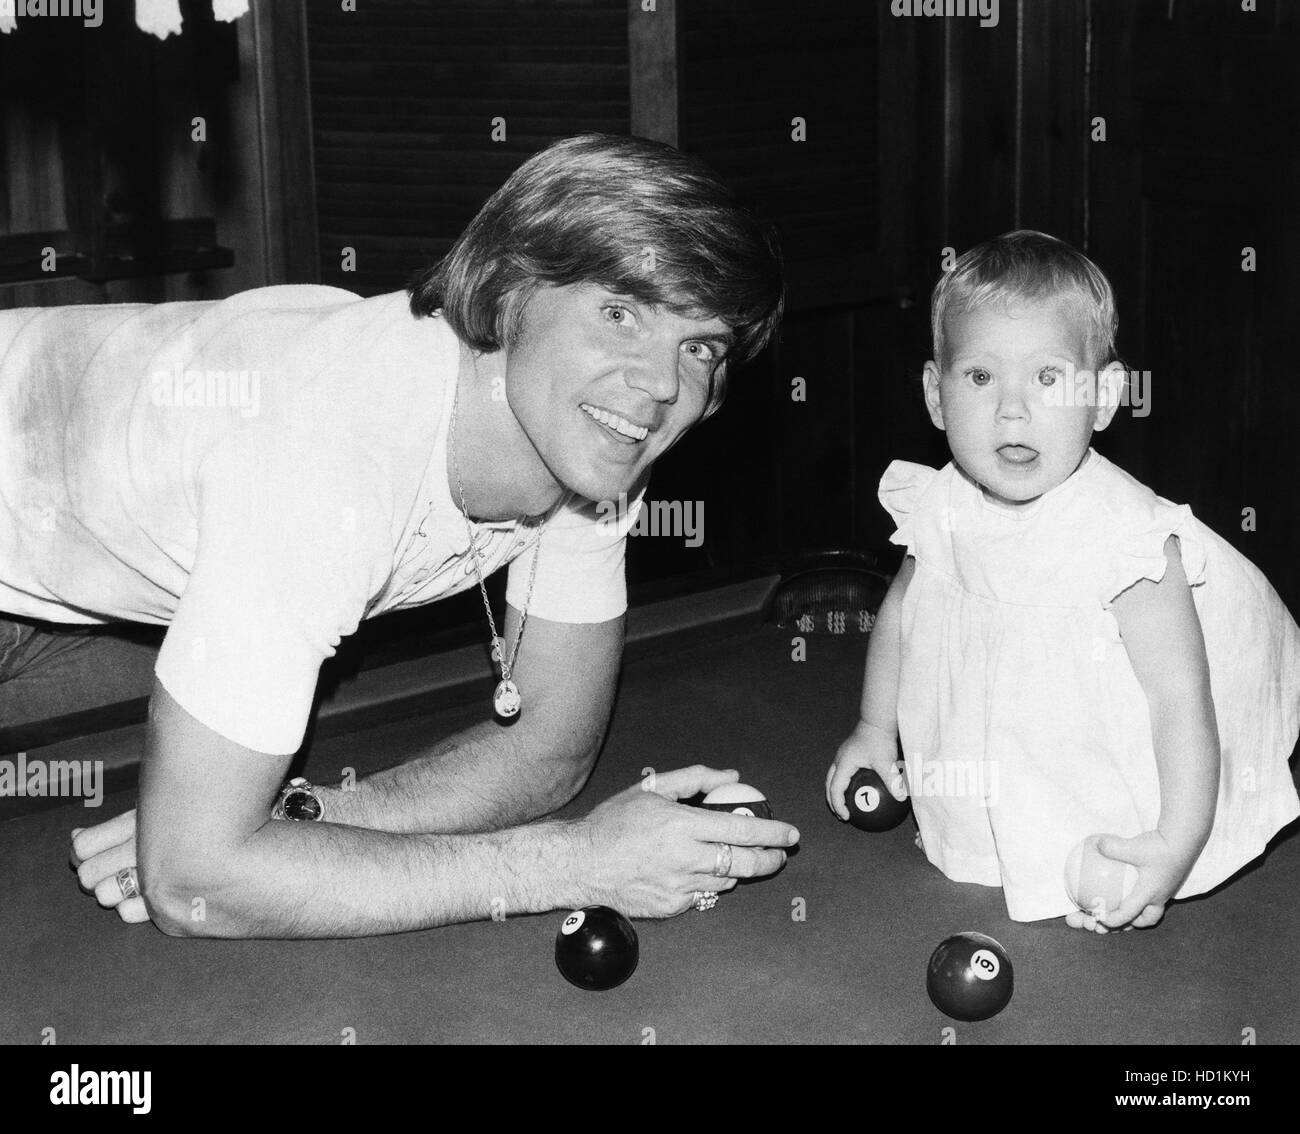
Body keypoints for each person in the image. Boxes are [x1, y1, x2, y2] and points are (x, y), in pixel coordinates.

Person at [0, 133, 800, 936]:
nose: (661, 385)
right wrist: (573, 863)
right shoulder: (328, 452)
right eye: (620, 313)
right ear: (511, 289)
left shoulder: (599, 433)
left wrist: (307, 819)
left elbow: (549, 747)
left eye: (698, 347)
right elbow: (192, 883)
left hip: (90, 584)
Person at [826, 230, 1300, 931]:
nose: (1011, 409)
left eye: (1048, 378)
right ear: (935, 394)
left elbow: (1181, 704)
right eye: (981, 377)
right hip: (993, 759)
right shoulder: (943, 502)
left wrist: (1173, 850)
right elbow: (904, 612)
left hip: (1109, 778)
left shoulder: (1127, 541)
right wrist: (873, 730)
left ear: (1104, 396)